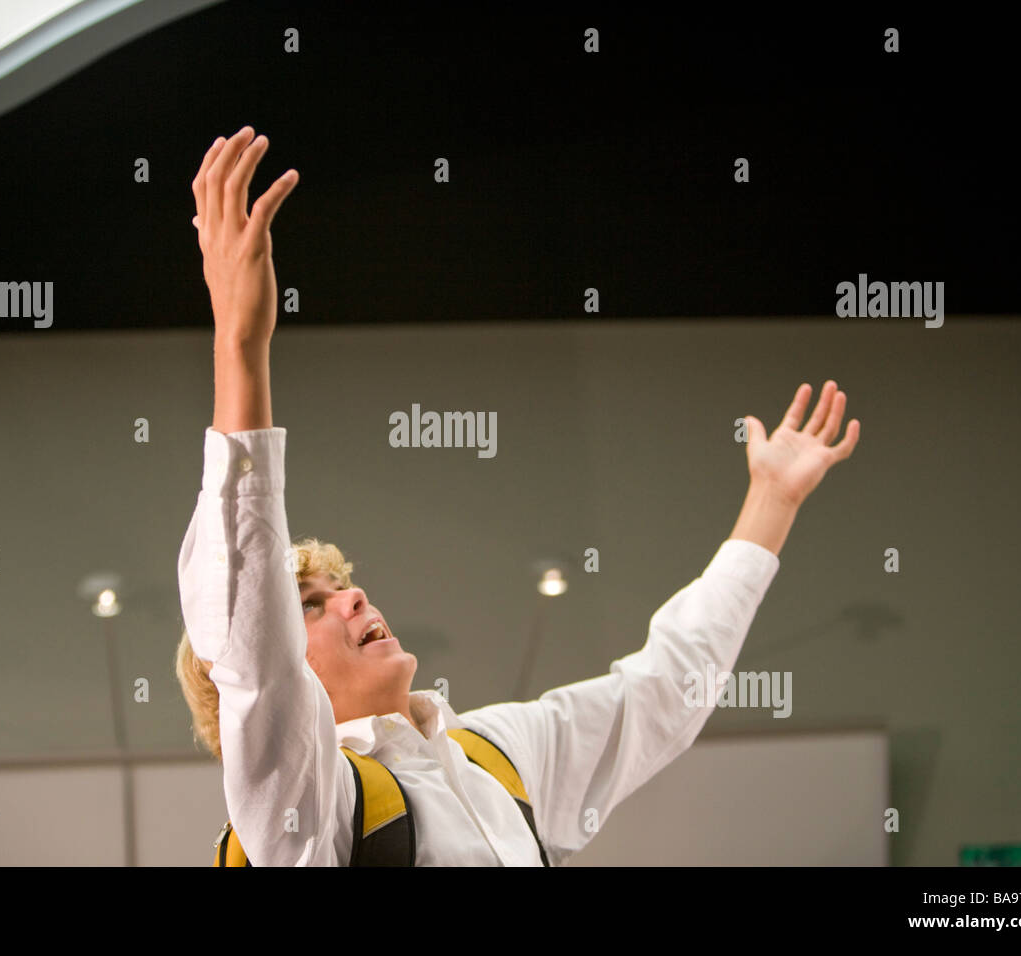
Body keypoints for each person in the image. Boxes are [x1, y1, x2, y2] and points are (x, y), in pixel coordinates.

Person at [174, 126, 861, 866]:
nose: (351, 598)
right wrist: (239, 347)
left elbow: (664, 689)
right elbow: (248, 634)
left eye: (340, 585)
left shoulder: (496, 754)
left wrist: (771, 505)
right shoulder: (301, 805)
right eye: (309, 603)